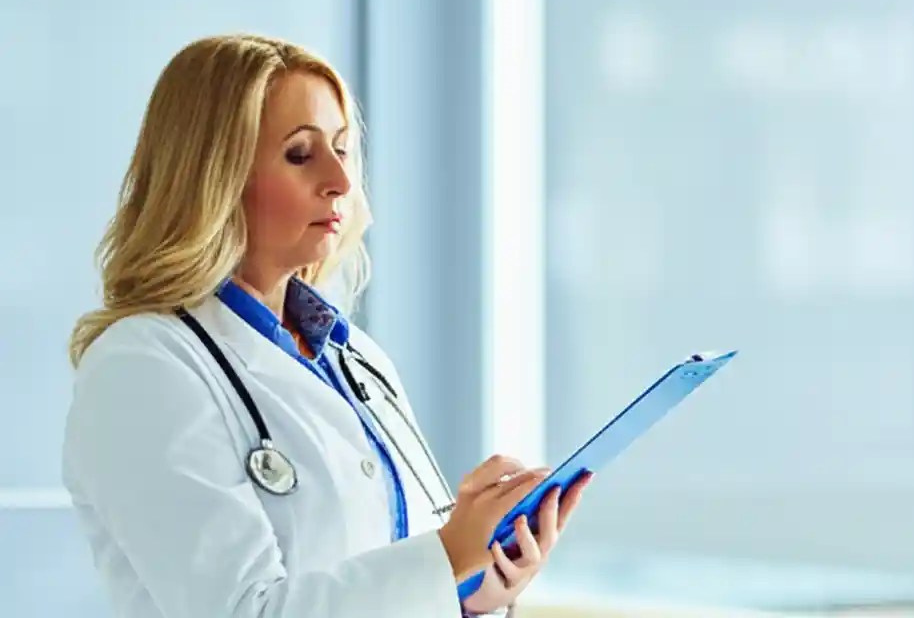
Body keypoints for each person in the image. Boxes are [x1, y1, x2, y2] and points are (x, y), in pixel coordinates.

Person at [61, 33, 590, 618]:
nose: (340, 178)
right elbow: (244, 610)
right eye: (299, 154)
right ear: (215, 173)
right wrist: (446, 556)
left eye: (342, 148)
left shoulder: (354, 358)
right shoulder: (140, 368)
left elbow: (387, 580)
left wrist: (474, 594)